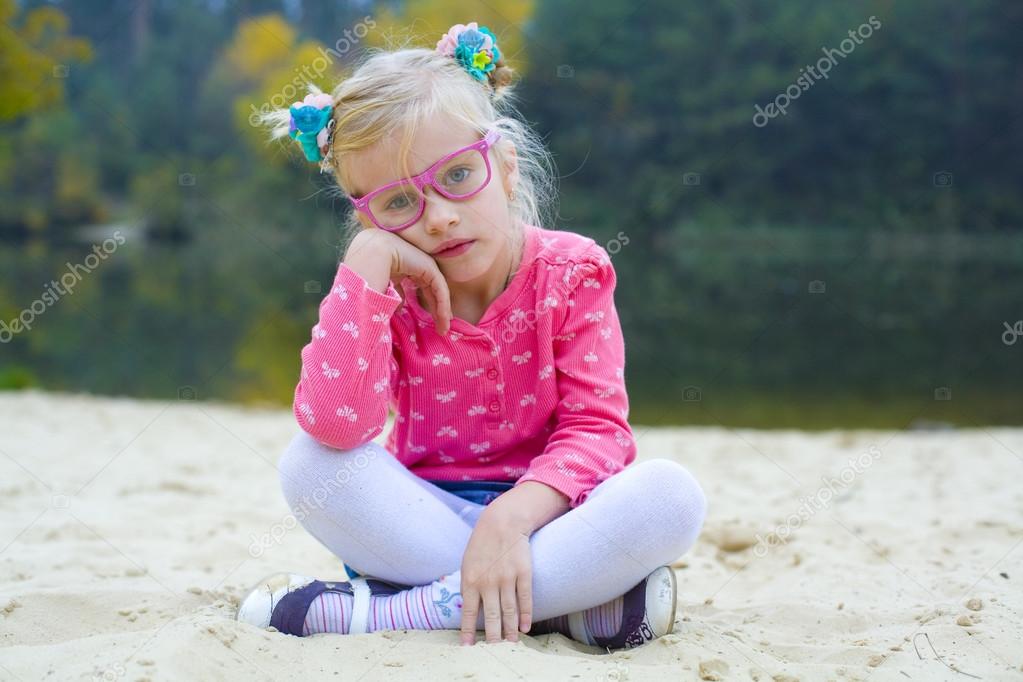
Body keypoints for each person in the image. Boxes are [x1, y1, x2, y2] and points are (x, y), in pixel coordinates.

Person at [236, 21, 708, 651]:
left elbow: (598, 432)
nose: (438, 217)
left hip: (547, 519)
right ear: (367, 219)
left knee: (671, 497)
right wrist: (366, 267)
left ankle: (402, 611)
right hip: (420, 526)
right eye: (398, 204)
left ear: (506, 168)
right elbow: (336, 424)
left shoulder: (571, 273)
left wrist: (512, 519)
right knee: (308, 463)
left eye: (457, 177)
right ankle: (554, 609)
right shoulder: (387, 296)